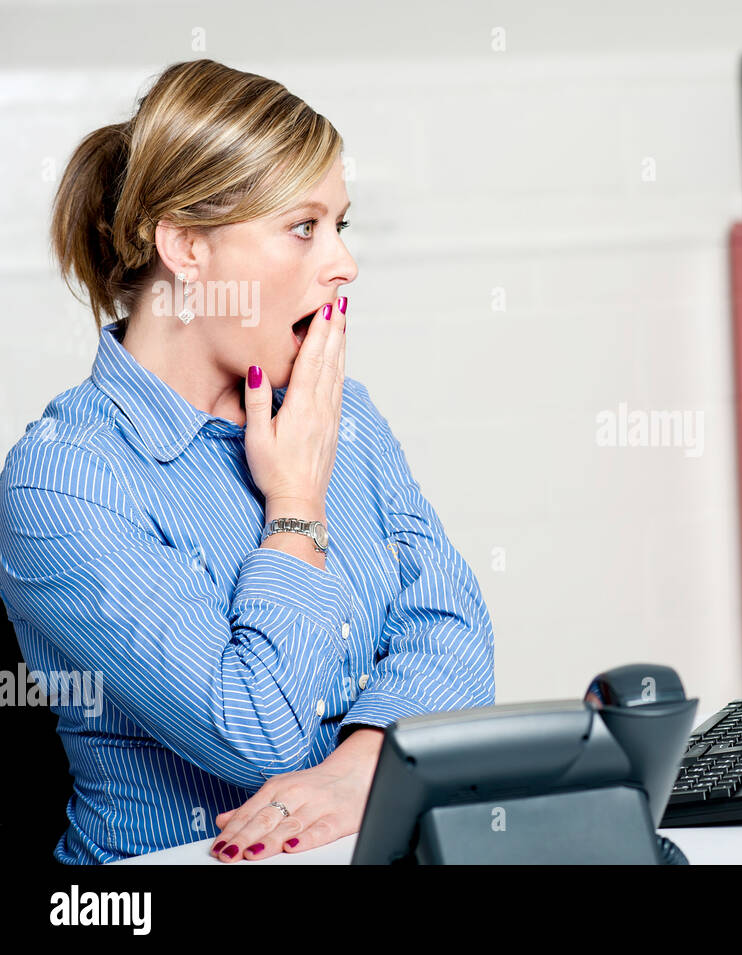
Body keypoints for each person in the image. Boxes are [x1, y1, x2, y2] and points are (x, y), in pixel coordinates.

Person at [0, 59, 495, 864]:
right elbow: (257, 727)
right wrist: (295, 505)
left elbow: (456, 630)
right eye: (305, 227)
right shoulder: (66, 481)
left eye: (341, 224)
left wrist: (366, 765)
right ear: (186, 247)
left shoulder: (342, 410)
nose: (343, 264)